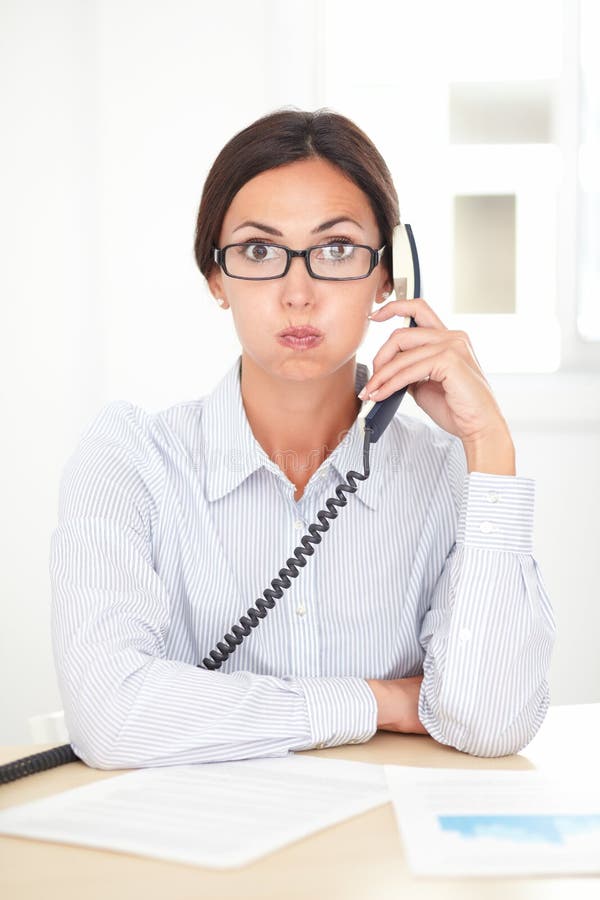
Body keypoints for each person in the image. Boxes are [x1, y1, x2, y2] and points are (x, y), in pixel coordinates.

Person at [49, 108, 555, 769]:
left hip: (381, 854)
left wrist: (489, 447)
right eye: (259, 251)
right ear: (215, 277)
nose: (298, 292)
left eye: (336, 249)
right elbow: (110, 719)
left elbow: (490, 723)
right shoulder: (130, 460)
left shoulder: (446, 474)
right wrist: (374, 702)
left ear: (390, 274)